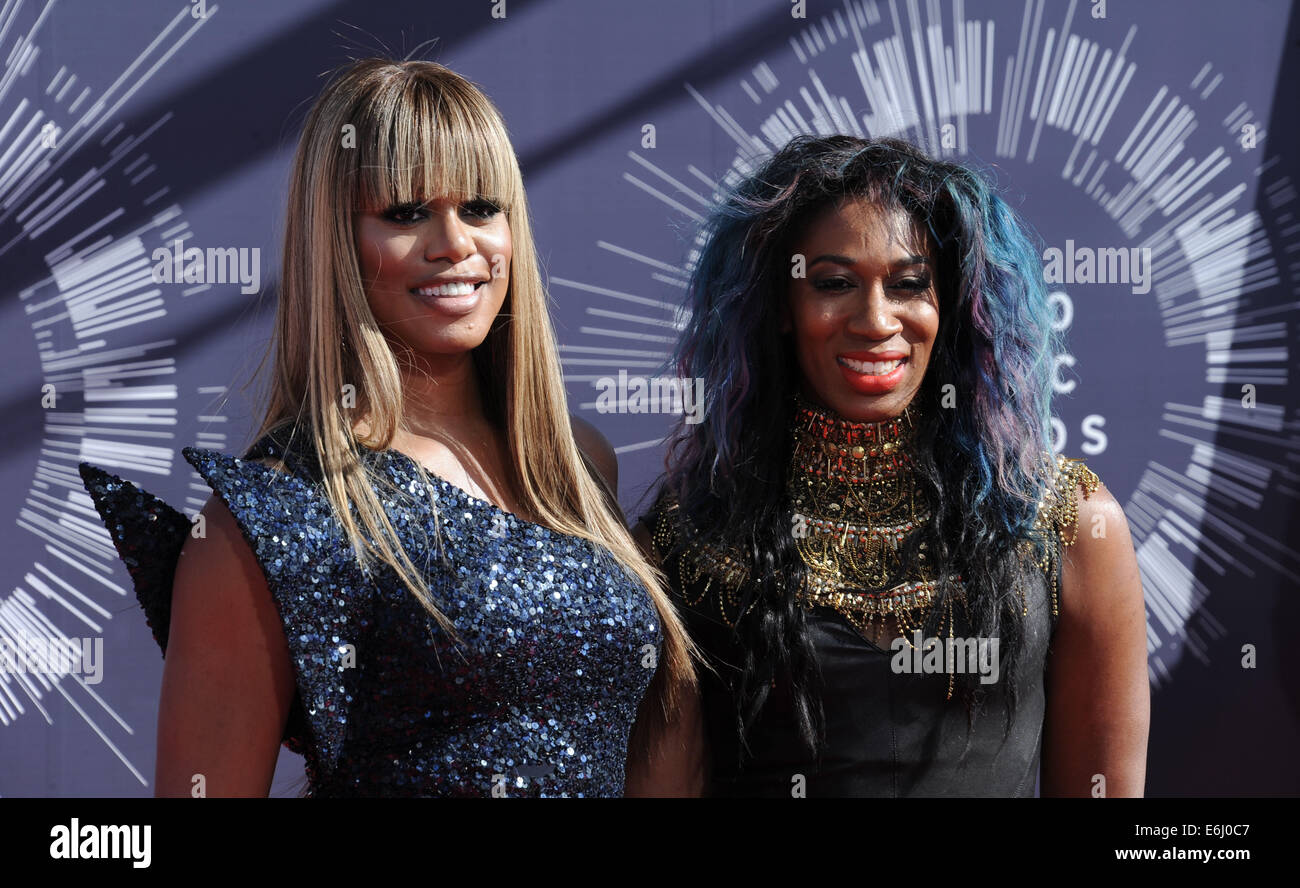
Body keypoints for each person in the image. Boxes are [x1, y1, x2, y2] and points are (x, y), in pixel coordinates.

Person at [78, 57, 695, 798]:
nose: (455, 243)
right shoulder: (280, 513)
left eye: (480, 208)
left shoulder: (577, 464)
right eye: (405, 213)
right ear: (336, 241)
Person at [631, 135, 1149, 797]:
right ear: (781, 306)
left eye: (908, 285)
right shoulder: (688, 541)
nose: (876, 320)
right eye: (834, 284)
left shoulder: (1070, 522)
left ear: (955, 304)